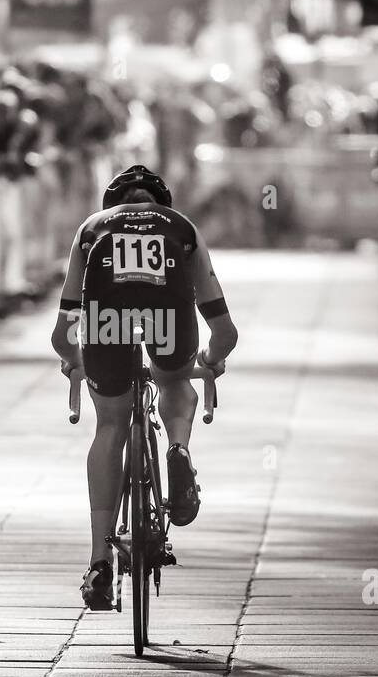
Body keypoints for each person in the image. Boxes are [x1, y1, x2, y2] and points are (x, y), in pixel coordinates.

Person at [50, 165, 238, 611]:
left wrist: (75, 361)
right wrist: (210, 362)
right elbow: (224, 330)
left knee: (109, 425)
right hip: (170, 321)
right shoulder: (182, 228)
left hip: (104, 326)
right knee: (175, 384)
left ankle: (99, 561)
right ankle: (178, 449)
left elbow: (63, 332)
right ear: (161, 202)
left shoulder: (91, 229)